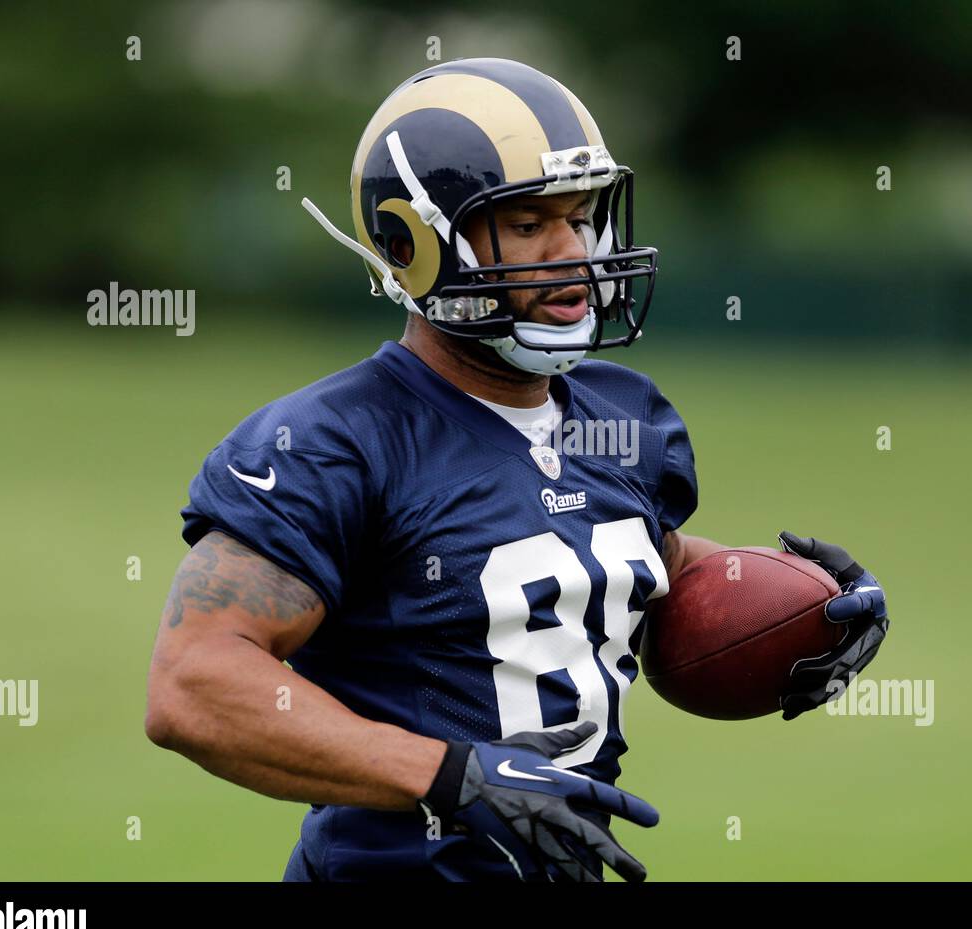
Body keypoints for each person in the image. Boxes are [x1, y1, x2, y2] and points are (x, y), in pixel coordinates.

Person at [143, 57, 889, 882]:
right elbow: (195, 684)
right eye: (529, 223)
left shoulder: (623, 418)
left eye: (581, 215)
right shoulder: (335, 440)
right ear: (412, 244)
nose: (574, 252)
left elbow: (618, 557)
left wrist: (801, 605)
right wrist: (446, 777)